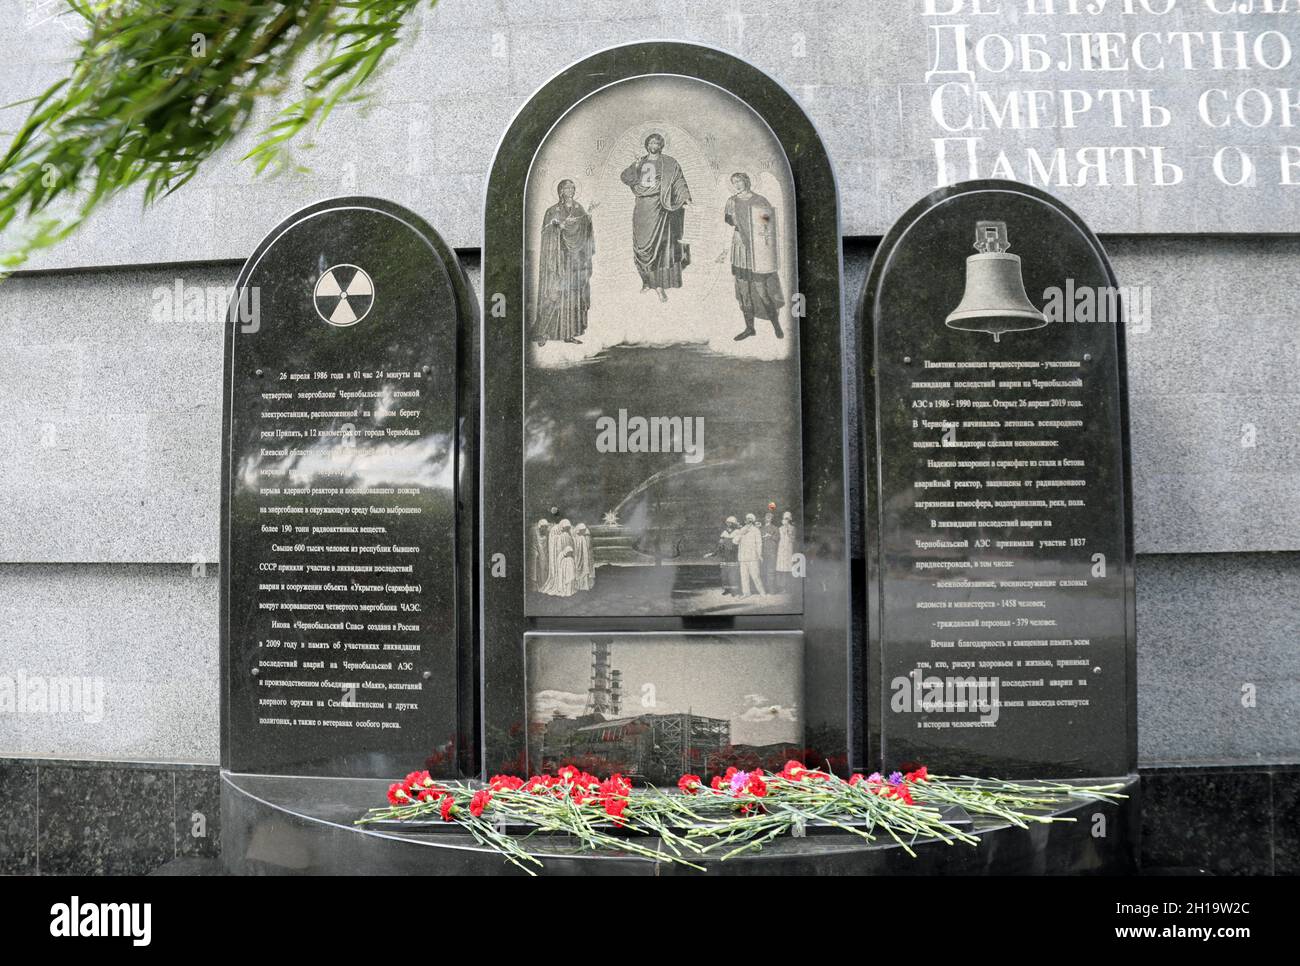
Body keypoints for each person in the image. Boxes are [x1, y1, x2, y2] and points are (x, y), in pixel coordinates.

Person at [619, 133, 691, 301]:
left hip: (661, 209)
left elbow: (679, 182)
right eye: (651, 142)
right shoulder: (641, 162)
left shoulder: (670, 163)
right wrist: (636, 165)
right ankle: (646, 281)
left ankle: (658, 285)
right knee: (641, 245)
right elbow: (625, 177)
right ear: (647, 144)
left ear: (661, 145)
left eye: (657, 142)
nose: (654, 144)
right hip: (642, 209)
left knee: (660, 247)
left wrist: (686, 198)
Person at [724, 172, 785, 341]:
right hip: (740, 247)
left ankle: (776, 325)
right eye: (734, 181)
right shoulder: (731, 201)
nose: (737, 184)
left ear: (747, 181)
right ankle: (750, 328)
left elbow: (767, 223)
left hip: (757, 248)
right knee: (744, 292)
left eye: (739, 181)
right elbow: (729, 221)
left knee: (762, 291)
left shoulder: (760, 200)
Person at [535, 179, 595, 346]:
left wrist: (588, 216)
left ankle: (568, 333)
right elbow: (546, 232)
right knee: (553, 294)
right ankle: (543, 333)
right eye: (567, 187)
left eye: (572, 187)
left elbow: (584, 229)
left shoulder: (578, 208)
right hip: (558, 260)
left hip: (574, 261)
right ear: (560, 190)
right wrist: (558, 226)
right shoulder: (552, 210)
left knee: (572, 295)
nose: (570, 190)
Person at [732, 513, 766, 597]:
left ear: (753, 521)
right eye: (747, 519)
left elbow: (759, 544)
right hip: (743, 558)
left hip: (753, 557)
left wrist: (759, 555)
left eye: (750, 519)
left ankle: (762, 592)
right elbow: (734, 541)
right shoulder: (742, 529)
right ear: (745, 520)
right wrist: (741, 533)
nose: (748, 520)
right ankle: (746, 593)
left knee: (755, 576)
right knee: (744, 577)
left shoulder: (756, 530)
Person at [540, 520, 577, 597]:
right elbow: (554, 543)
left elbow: (571, 546)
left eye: (568, 528)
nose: (566, 530)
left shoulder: (568, 536)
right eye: (565, 528)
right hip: (561, 559)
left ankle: (568, 586)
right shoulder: (555, 531)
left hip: (567, 560)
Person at [776, 511, 796, 593]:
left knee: (788, 569)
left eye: (787, 518)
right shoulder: (779, 528)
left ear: (790, 519)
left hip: (789, 550)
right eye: (784, 518)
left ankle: (788, 588)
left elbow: (793, 539)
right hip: (781, 550)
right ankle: (782, 588)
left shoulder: (793, 528)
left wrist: (788, 532)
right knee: (781, 569)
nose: (786, 520)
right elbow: (778, 539)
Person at [761, 510, 780, 591]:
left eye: (770, 517)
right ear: (764, 518)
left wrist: (770, 536)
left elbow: (777, 538)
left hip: (772, 552)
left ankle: (771, 590)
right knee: (763, 571)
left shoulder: (775, 528)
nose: (768, 518)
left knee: (771, 571)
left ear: (772, 519)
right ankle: (764, 589)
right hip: (763, 552)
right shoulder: (761, 529)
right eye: (767, 517)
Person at [573, 522, 595, 591]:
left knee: (584, 572)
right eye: (582, 530)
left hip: (583, 559)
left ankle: (584, 585)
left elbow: (586, 549)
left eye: (584, 530)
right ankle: (577, 586)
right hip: (577, 558)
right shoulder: (574, 538)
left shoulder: (583, 537)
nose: (583, 532)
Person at [532, 519, 551, 591]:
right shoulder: (535, 533)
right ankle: (540, 585)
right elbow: (534, 544)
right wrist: (536, 552)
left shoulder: (547, 533)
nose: (545, 529)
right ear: (540, 527)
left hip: (546, 554)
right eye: (544, 527)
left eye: (546, 527)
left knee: (546, 569)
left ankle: (545, 585)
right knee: (540, 569)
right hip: (539, 554)